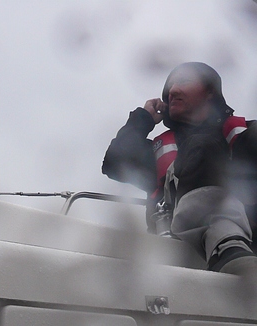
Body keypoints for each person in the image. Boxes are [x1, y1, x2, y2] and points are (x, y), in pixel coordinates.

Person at [102, 62, 257, 276]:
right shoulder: (158, 149)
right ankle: (225, 244)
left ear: (210, 91)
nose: (173, 91)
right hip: (178, 242)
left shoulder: (245, 132)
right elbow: (114, 162)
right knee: (202, 146)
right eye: (169, 89)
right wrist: (143, 118)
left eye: (183, 81)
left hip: (251, 235)